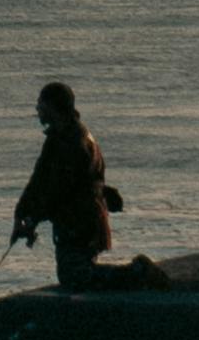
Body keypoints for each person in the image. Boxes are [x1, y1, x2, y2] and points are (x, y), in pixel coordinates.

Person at [12, 79, 120, 290]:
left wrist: (33, 219)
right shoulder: (60, 137)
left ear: (52, 107)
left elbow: (59, 189)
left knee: (76, 276)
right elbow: (38, 180)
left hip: (82, 221)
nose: (37, 110)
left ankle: (136, 273)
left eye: (40, 105)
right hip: (74, 221)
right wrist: (21, 213)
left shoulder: (73, 141)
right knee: (72, 274)